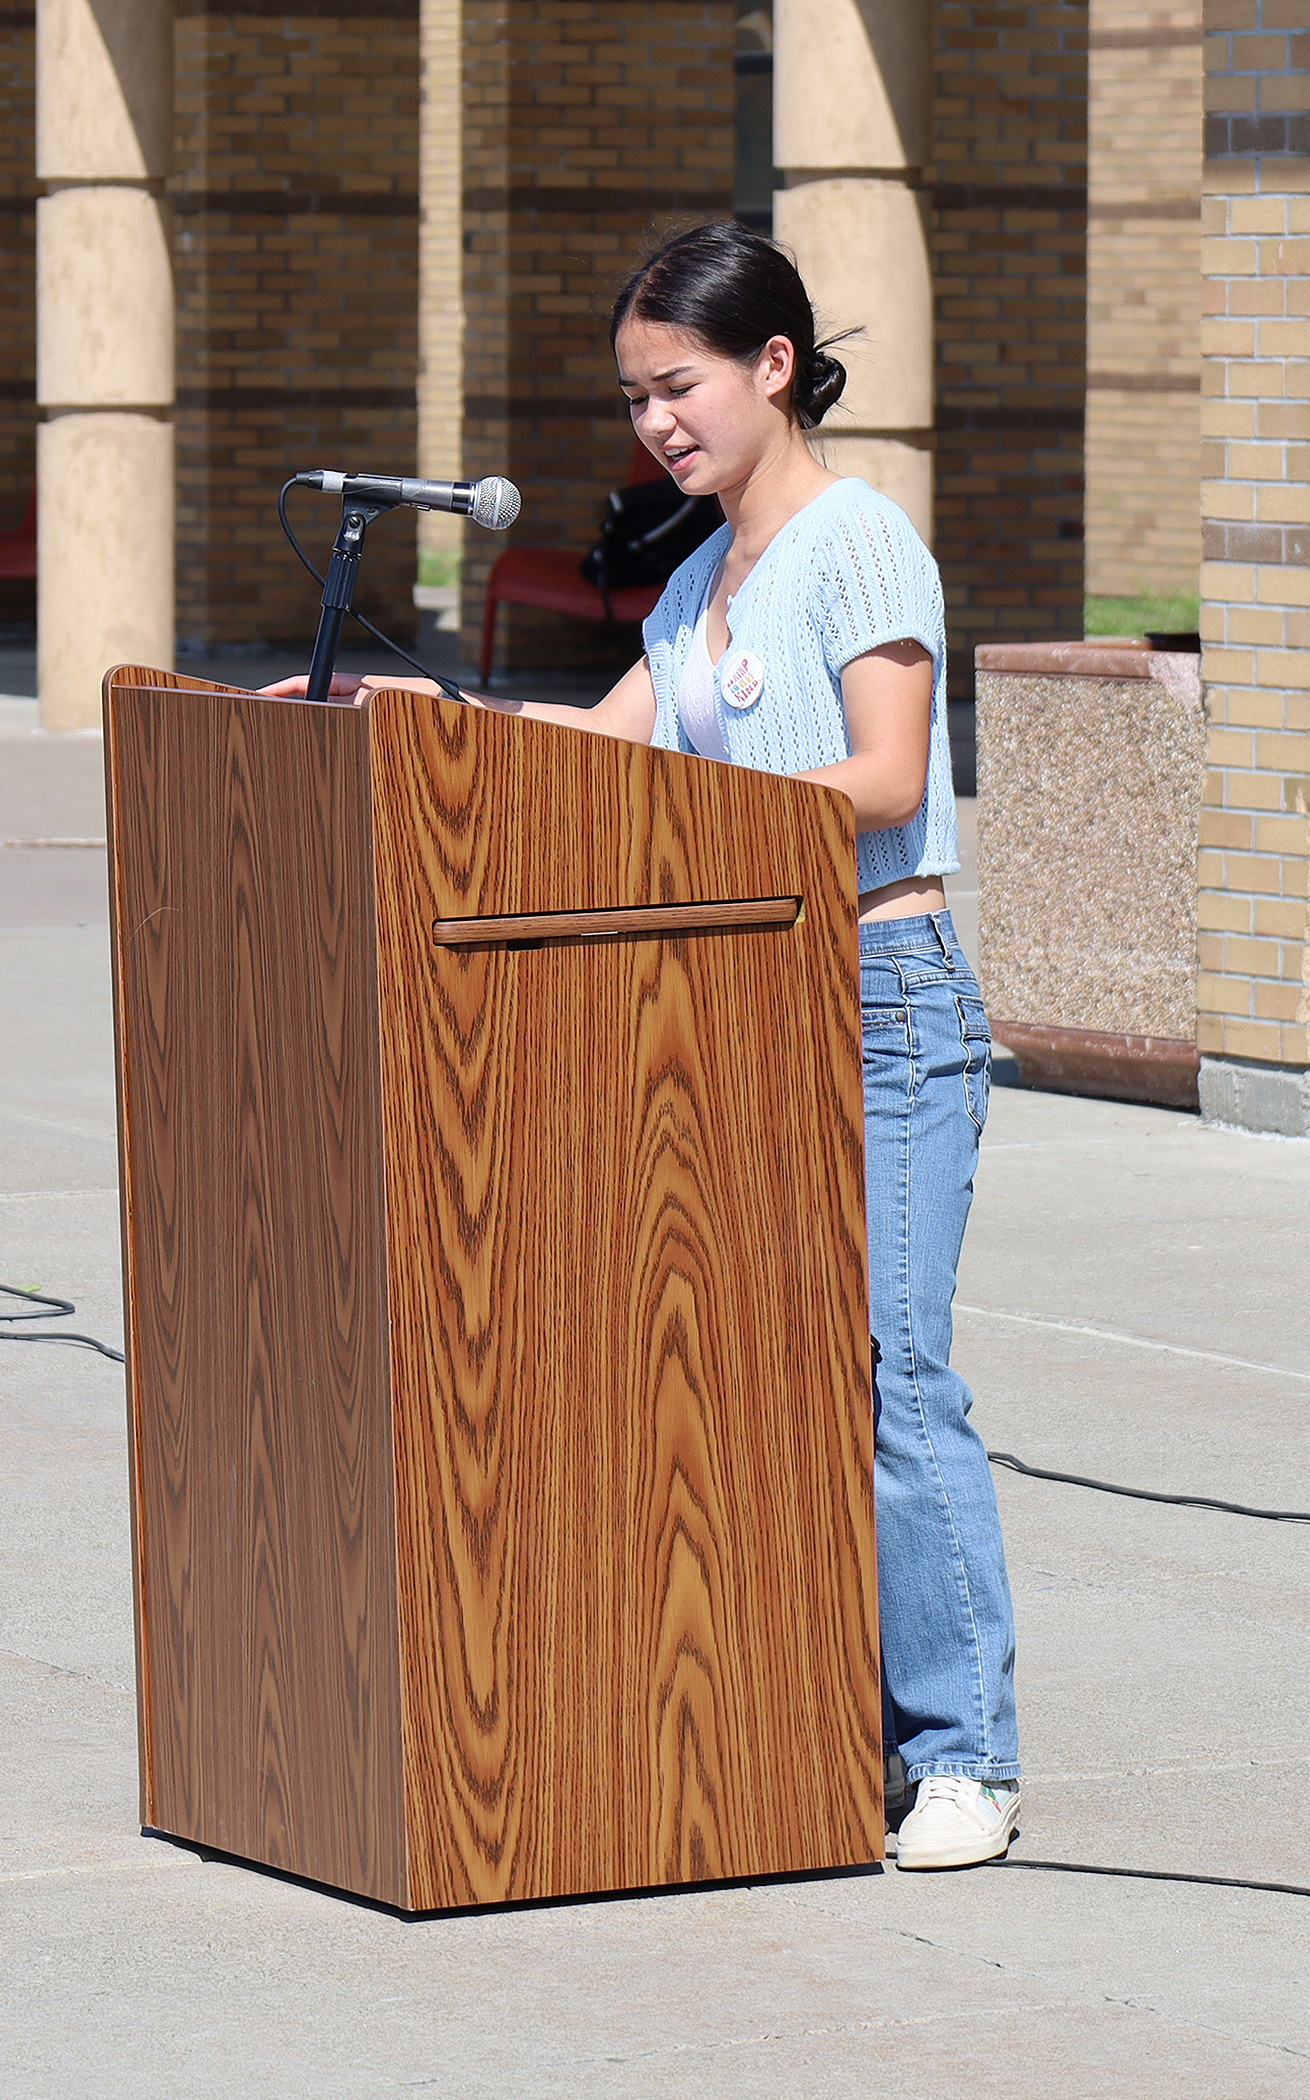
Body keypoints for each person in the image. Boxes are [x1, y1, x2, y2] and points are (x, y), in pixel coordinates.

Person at [263, 220, 1020, 1872]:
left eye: (674, 386)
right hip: (731, 1005)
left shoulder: (856, 542)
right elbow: (603, 757)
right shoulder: (699, 576)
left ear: (768, 365)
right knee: (750, 1385)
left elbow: (884, 782)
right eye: (630, 398)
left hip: (880, 1005)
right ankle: (798, 1724)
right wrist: (415, 725)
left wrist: (693, 817)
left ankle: (961, 1755)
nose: (654, 424)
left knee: (892, 1377)